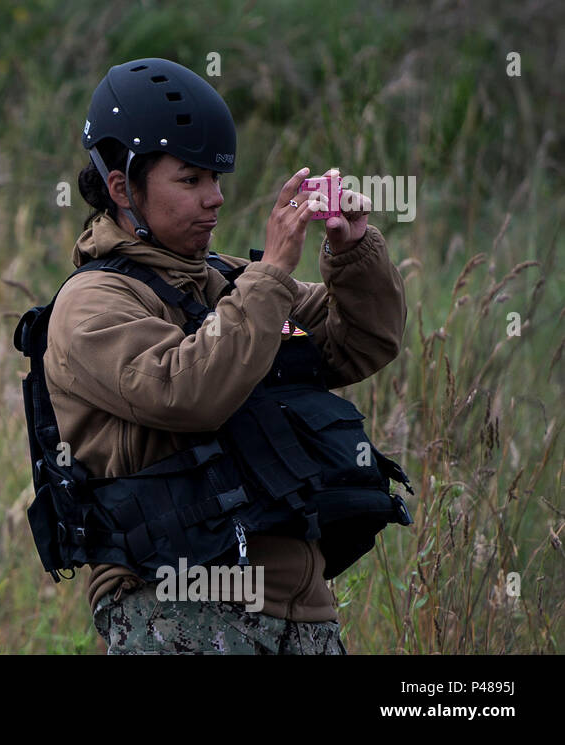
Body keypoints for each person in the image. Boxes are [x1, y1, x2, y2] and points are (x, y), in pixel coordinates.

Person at [44, 59, 407, 654]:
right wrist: (271, 275)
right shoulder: (91, 304)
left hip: (301, 609)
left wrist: (353, 248)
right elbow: (188, 394)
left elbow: (360, 342)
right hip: (178, 609)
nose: (214, 198)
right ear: (122, 188)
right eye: (189, 180)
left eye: (216, 178)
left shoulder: (231, 281)